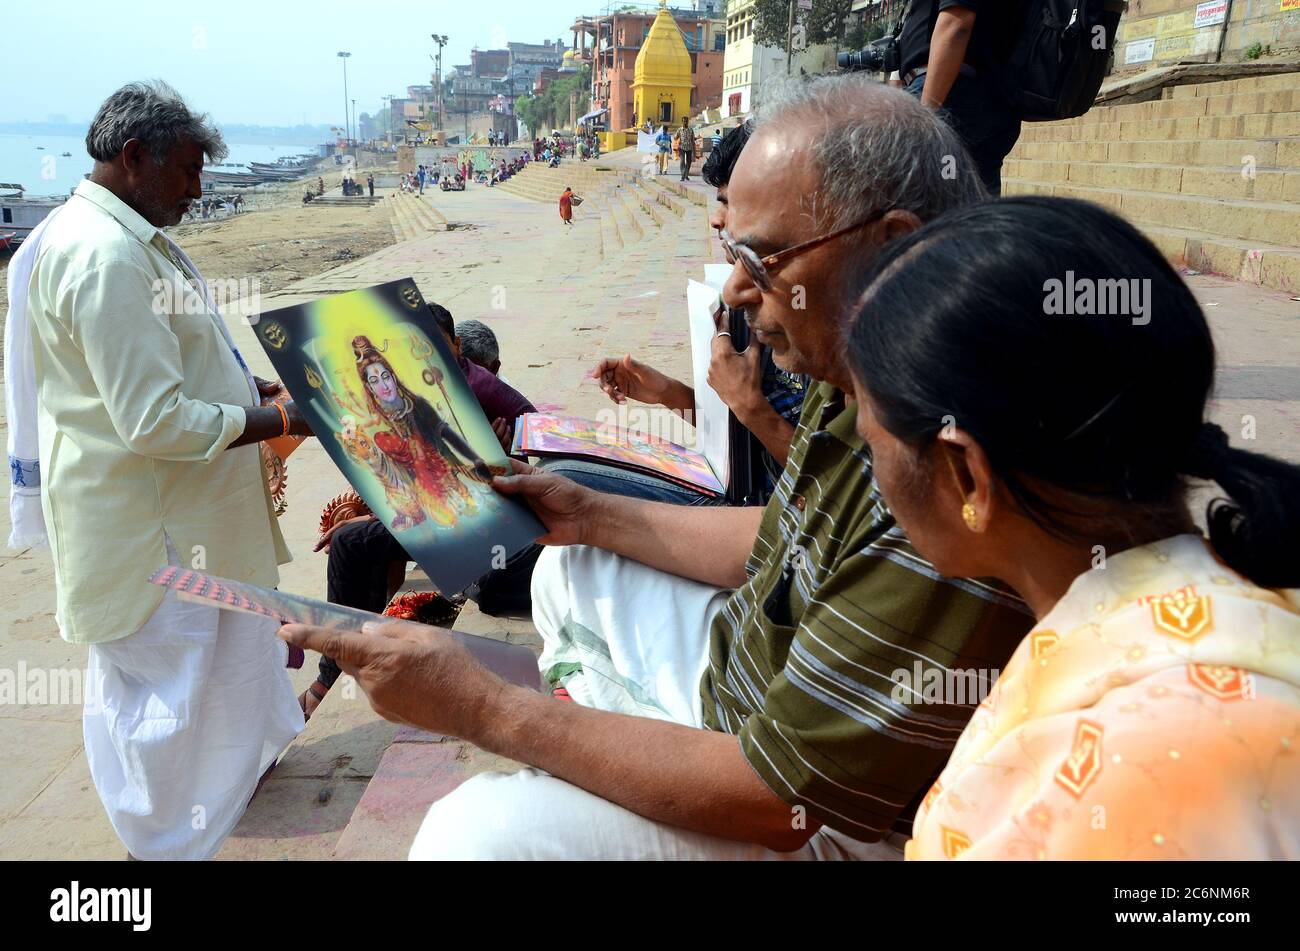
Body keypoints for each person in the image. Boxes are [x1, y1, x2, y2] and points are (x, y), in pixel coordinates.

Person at [281, 76, 1036, 861]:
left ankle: (629, 754)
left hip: (814, 812)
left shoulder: (942, 477)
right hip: (752, 677)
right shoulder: (852, 366)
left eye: (761, 256)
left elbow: (783, 799)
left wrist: (486, 711)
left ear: (889, 246)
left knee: (470, 837)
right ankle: (636, 745)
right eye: (730, 252)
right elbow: (779, 532)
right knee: (562, 569)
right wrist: (589, 513)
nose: (738, 290)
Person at [843, 195, 1300, 859]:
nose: (874, 475)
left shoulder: (1136, 767)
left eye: (872, 444)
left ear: (966, 474)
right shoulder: (1231, 601)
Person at [16, 81, 314, 860]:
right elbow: (153, 421)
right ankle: (165, 845)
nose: (197, 188)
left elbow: (179, 367)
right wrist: (280, 420)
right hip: (156, 537)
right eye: (186, 170)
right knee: (169, 702)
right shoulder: (105, 253)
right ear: (133, 157)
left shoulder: (127, 235)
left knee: (224, 679)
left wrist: (255, 392)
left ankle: (214, 813)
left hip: (187, 521)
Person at [302, 303, 538, 717]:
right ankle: (349, 657)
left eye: (384, 374)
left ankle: (329, 676)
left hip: (458, 505)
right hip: (413, 509)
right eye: (372, 379)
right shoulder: (372, 421)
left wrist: (497, 458)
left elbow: (469, 455)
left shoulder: (439, 401)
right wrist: (370, 507)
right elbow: (384, 476)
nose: (381, 383)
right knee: (351, 537)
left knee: (352, 541)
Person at [590, 120, 804, 505]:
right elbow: (740, 442)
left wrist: (752, 408)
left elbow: (831, 495)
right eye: (718, 201)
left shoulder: (820, 326)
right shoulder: (746, 300)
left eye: (729, 202)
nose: (716, 219)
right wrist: (668, 393)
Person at [899, 0, 1022, 194]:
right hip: (959, 95)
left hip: (950, 96)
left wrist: (926, 117)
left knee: (937, 205)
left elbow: (956, 25)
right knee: (970, 208)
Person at [677, 117, 696, 182]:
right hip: (682, 148)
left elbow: (692, 140)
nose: (685, 122)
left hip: (689, 148)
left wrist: (694, 151)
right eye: (684, 121)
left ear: (688, 122)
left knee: (689, 162)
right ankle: (683, 175)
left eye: (686, 121)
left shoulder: (691, 130)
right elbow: (675, 137)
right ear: (682, 122)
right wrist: (677, 140)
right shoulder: (679, 130)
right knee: (682, 161)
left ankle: (686, 175)